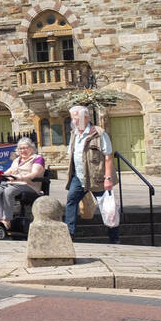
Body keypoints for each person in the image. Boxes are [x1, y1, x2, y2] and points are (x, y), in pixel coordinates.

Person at [64, 104, 119, 243]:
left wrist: (108, 178)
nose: (73, 122)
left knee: (107, 207)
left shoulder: (99, 134)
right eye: (72, 119)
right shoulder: (74, 134)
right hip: (79, 177)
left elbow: (108, 157)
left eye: (76, 118)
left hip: (97, 177)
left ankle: (114, 238)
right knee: (71, 201)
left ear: (86, 118)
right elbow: (72, 154)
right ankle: (69, 234)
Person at [0, 137, 46, 226]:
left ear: (31, 148)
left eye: (25, 148)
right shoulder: (17, 160)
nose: (22, 151)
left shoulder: (37, 158)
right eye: (20, 149)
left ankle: (7, 219)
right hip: (15, 184)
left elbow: (35, 174)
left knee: (8, 191)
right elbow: (9, 172)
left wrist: (20, 178)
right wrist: (0, 176)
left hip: (29, 185)